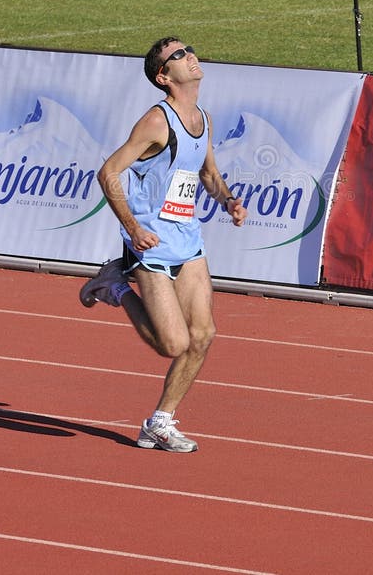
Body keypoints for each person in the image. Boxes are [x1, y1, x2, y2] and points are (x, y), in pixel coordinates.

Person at [80, 37, 247, 452]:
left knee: (203, 334)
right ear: (164, 76)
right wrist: (133, 228)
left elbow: (207, 174)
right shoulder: (157, 122)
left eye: (188, 49)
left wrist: (227, 201)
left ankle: (160, 421)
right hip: (149, 243)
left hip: (186, 239)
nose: (189, 55)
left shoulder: (202, 118)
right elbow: (108, 174)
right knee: (172, 344)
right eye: (178, 55)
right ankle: (114, 286)